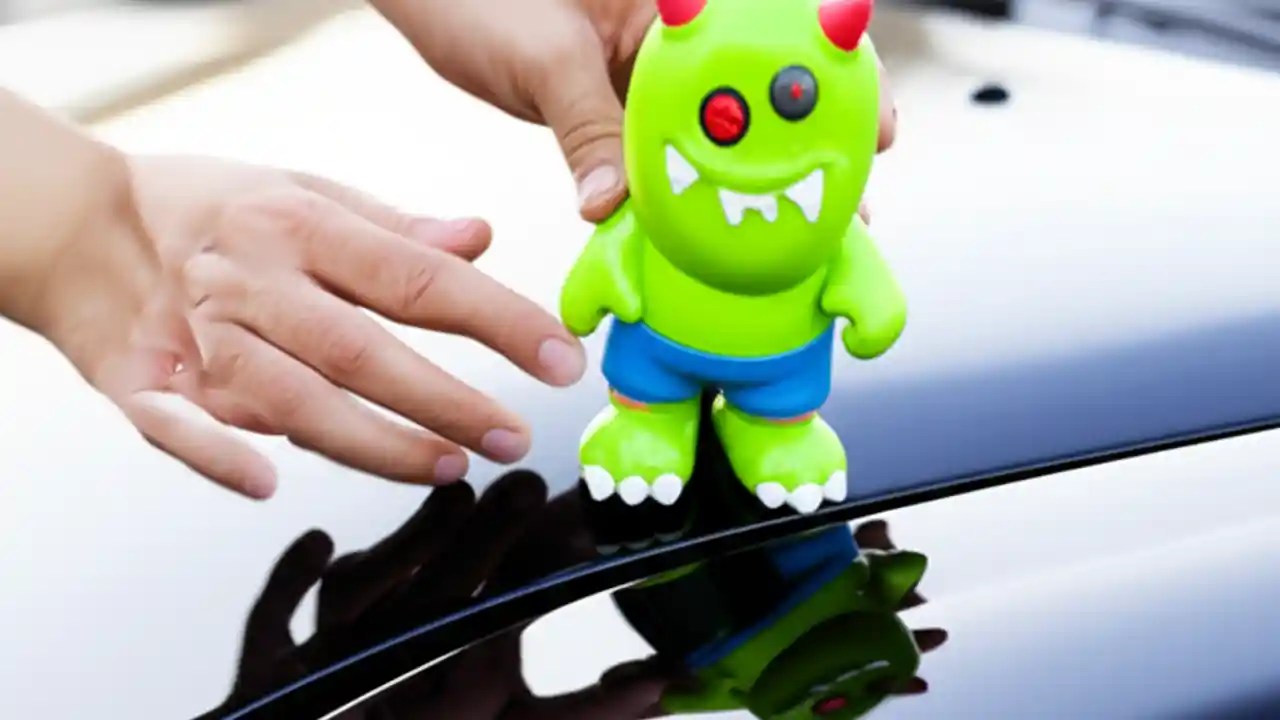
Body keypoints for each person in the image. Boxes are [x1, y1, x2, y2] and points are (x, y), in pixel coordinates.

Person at [0, 0, 897, 500]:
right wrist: (75, 225)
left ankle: (769, 429)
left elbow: (868, 299)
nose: (734, 132)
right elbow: (603, 277)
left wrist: (80, 220)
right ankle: (650, 419)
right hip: (653, 371)